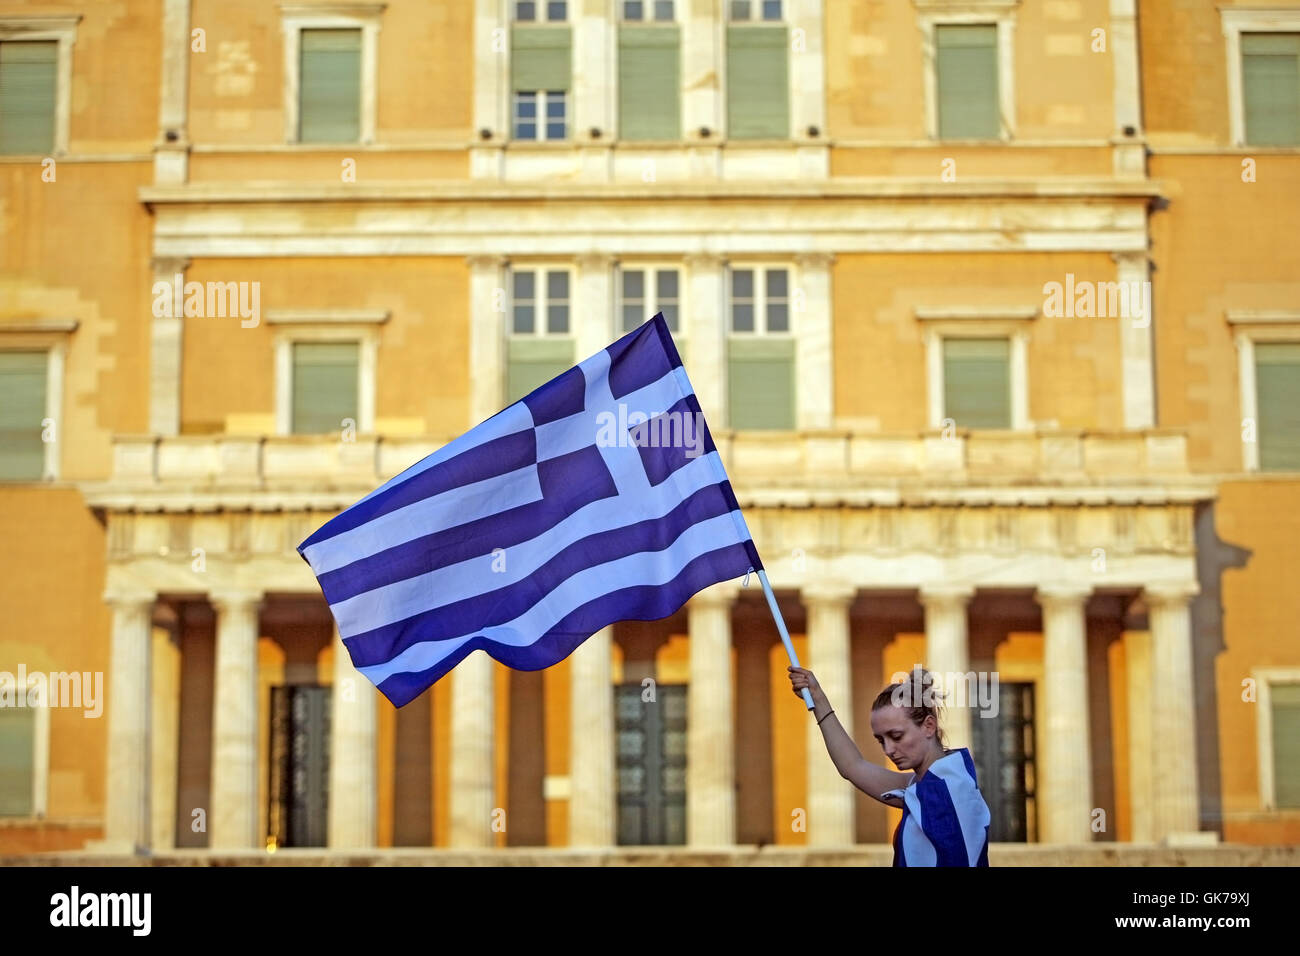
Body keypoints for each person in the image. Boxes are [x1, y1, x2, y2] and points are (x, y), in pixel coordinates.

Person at [788, 664, 991, 866]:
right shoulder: (929, 784)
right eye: (881, 740)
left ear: (929, 726)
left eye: (896, 736)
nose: (888, 750)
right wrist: (818, 697)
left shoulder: (944, 792)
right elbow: (853, 767)